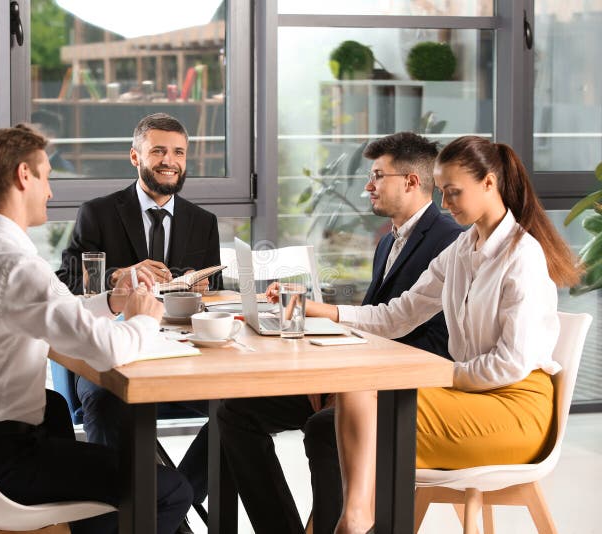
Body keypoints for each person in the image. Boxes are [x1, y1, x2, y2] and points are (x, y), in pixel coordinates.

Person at [288, 136, 582, 534]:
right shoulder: (462, 249)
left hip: (513, 409)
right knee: (351, 395)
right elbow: (397, 316)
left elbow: (509, 364)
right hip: (472, 396)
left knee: (364, 405)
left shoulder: (522, 256)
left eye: (454, 192)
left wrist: (438, 375)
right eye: (442, 192)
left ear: (489, 183)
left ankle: (357, 520)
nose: (445, 204)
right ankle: (356, 519)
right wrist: (324, 310)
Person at [0, 124, 192, 534]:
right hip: (6, 460)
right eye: (47, 177)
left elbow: (52, 309)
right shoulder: (14, 265)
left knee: (63, 420)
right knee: (169, 491)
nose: (50, 192)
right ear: (24, 176)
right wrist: (144, 316)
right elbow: (108, 350)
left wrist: (111, 301)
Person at [216, 132, 464, 534]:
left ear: (411, 181)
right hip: (359, 378)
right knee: (236, 413)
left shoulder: (449, 242)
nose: (368, 186)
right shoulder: (388, 242)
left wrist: (353, 382)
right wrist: (332, 372)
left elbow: (436, 342)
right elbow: (373, 321)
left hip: (403, 389)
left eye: (378, 176)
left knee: (323, 427)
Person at [55, 112, 221, 508]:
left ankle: (171, 506)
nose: (170, 161)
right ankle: (121, 515)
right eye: (158, 151)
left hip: (182, 357)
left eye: (178, 152)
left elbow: (215, 295)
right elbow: (66, 282)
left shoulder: (203, 222)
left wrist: (203, 288)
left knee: (239, 409)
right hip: (112, 354)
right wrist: (120, 275)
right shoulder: (98, 212)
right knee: (105, 403)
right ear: (135, 157)